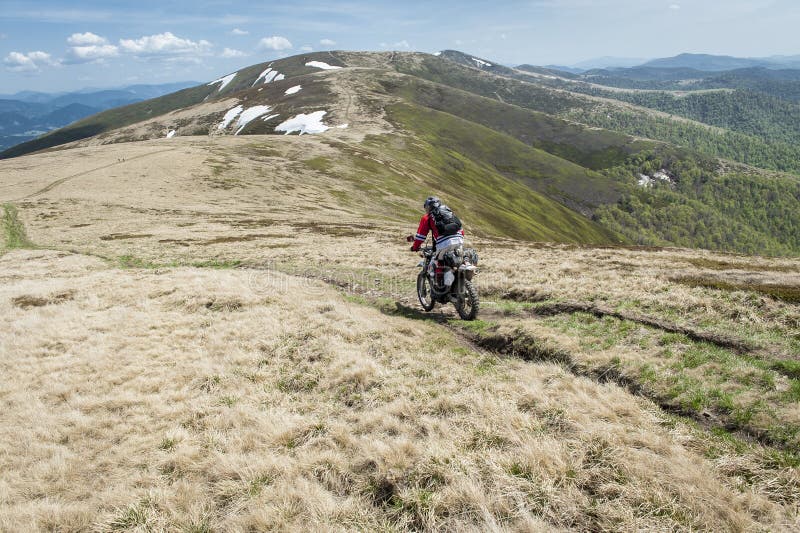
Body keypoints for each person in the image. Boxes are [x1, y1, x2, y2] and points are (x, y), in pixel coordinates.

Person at [409, 196, 465, 286]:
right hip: (459, 239)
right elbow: (459, 227)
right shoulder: (448, 212)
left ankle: (440, 285)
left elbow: (420, 236)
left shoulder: (427, 217)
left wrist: (415, 247)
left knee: (438, 261)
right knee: (458, 259)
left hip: (444, 243)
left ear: (428, 207)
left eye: (426, 207)